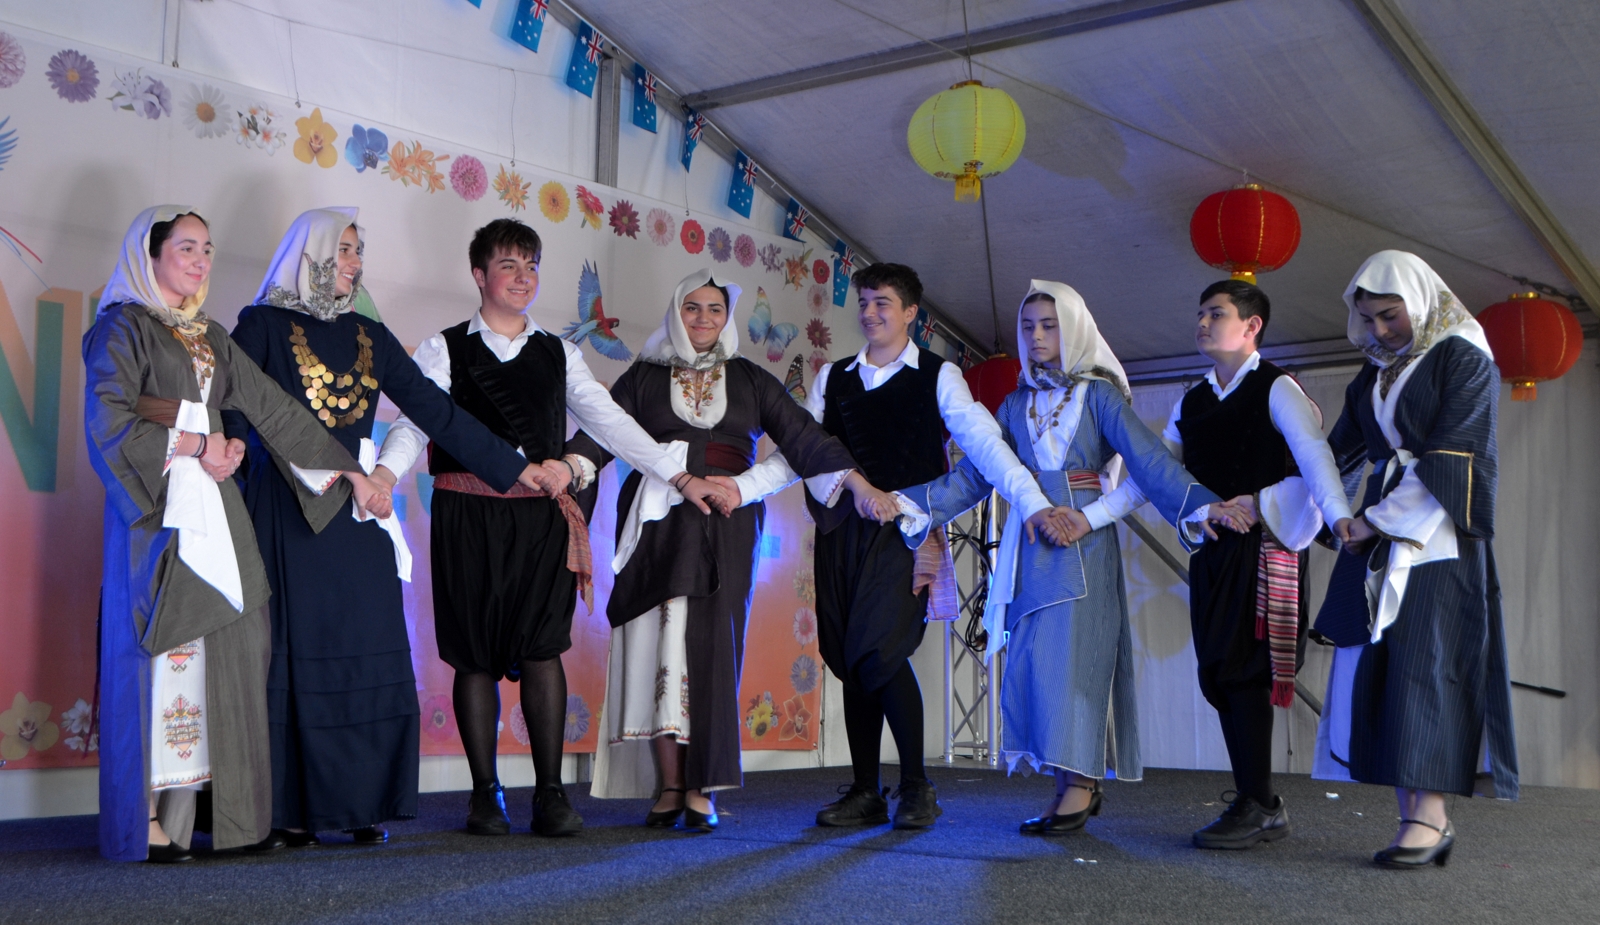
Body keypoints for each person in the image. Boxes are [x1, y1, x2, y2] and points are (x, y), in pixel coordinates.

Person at [388, 219, 729, 837]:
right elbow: (416, 423)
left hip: (542, 520)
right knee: (474, 657)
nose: (523, 279)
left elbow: (610, 422)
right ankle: (485, 795)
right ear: (479, 275)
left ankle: (550, 794)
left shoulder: (558, 351)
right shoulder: (443, 349)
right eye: (509, 266)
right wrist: (384, 475)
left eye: (531, 266)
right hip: (468, 516)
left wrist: (677, 477)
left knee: (544, 649)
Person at [223, 208, 546, 847]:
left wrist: (515, 469)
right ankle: (289, 810)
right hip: (287, 509)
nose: (353, 262)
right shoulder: (261, 324)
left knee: (364, 646)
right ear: (310, 253)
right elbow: (232, 402)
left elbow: (434, 411)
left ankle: (359, 802)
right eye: (343, 250)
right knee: (295, 654)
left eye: (357, 251)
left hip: (355, 510)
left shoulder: (368, 333)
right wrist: (229, 454)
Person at [84, 206, 380, 862]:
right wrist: (195, 441)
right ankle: (153, 824)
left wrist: (348, 471)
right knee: (169, 654)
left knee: (245, 638)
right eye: (186, 247)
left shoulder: (212, 334)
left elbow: (271, 407)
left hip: (216, 509)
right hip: (159, 516)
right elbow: (106, 423)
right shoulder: (120, 329)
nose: (200, 259)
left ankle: (235, 820)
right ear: (150, 254)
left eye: (208, 248)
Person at [901, 281, 1239, 835]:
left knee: (1074, 665)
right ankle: (1067, 784)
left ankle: (1079, 788)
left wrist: (1196, 506)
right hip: (1032, 546)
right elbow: (977, 475)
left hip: (1081, 543)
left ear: (1075, 328)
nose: (1036, 336)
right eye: (1029, 326)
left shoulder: (1101, 396)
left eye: (1049, 325)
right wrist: (910, 505)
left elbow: (1148, 462)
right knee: (1036, 666)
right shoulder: (1012, 404)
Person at [571, 270, 868, 832]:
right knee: (656, 647)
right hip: (656, 527)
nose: (704, 319)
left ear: (727, 318)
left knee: (711, 648)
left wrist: (852, 483)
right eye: (692, 308)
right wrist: (565, 472)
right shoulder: (641, 378)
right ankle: (670, 785)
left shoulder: (752, 379)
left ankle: (703, 786)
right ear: (675, 312)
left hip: (727, 524)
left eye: (714, 310)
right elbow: (600, 435)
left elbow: (801, 437)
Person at [804, 262, 1062, 830]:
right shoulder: (834, 376)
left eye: (884, 304)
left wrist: (1030, 499)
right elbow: (805, 451)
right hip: (841, 531)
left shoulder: (938, 375)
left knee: (880, 650)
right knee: (850, 657)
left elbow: (983, 446)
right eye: (865, 302)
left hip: (905, 531)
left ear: (912, 314)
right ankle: (866, 790)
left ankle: (917, 786)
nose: (871, 313)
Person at [1314, 250, 1516, 868]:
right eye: (1369, 318)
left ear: (1420, 301)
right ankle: (1414, 816)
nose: (1379, 331)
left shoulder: (1463, 356)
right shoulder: (1374, 375)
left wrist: (1372, 523)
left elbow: (1456, 453)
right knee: (1386, 668)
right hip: (1381, 530)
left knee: (1424, 667)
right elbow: (1336, 454)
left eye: (1389, 315)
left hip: (1436, 538)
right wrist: (1330, 514)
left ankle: (1430, 818)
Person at [1146, 279, 1356, 849]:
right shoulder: (1191, 400)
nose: (1203, 322)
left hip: (1265, 550)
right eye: (1200, 312)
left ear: (1252, 325)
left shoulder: (1277, 387)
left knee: (1246, 674)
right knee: (1217, 673)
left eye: (1216, 313)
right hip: (1214, 547)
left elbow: (1315, 465)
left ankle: (1259, 801)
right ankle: (1253, 797)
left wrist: (1267, 506)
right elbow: (1159, 473)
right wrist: (1194, 510)